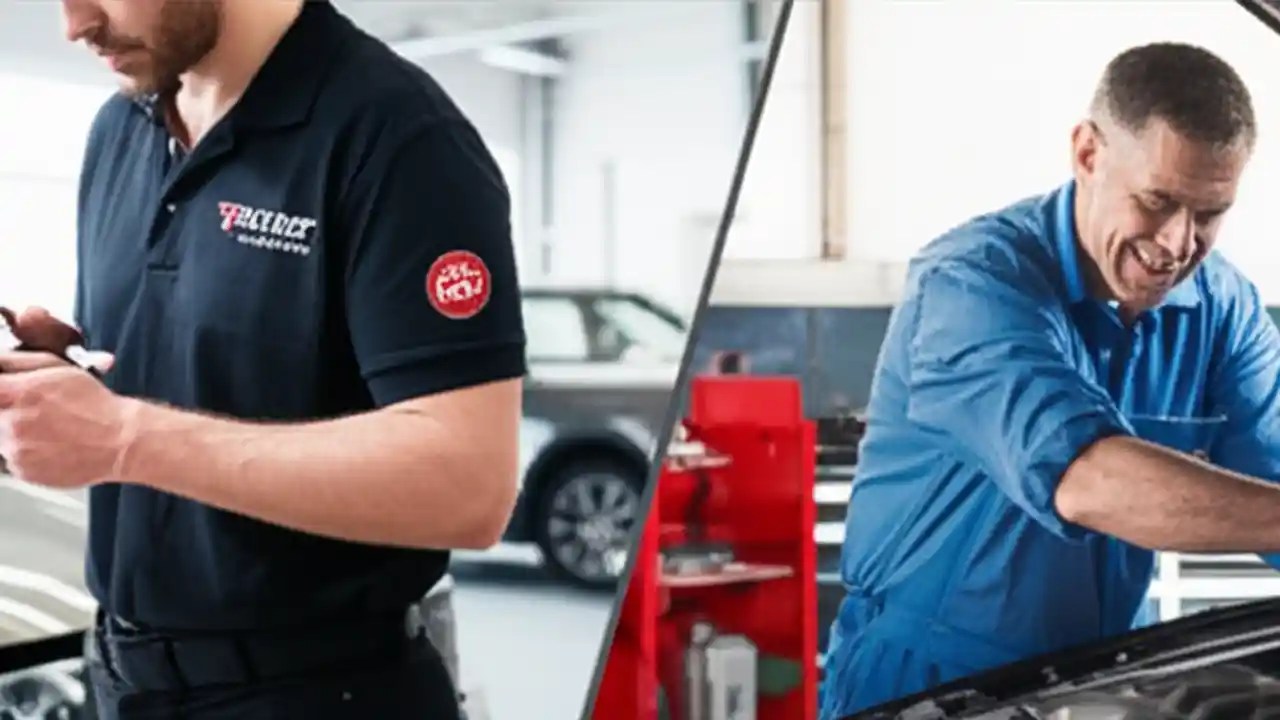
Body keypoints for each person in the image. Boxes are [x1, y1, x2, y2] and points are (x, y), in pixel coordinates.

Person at [0, 0, 525, 717]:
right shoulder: (121, 129)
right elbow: (187, 384)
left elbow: (468, 487)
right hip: (124, 679)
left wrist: (123, 438)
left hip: (318, 694)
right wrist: (54, 389)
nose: (74, 25)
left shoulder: (397, 136)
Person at [819, 42, 1280, 719]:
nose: (1179, 244)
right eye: (1157, 201)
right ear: (1088, 154)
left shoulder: (1222, 309)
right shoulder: (972, 283)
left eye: (1209, 213)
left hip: (1095, 680)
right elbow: (1087, 479)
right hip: (923, 684)